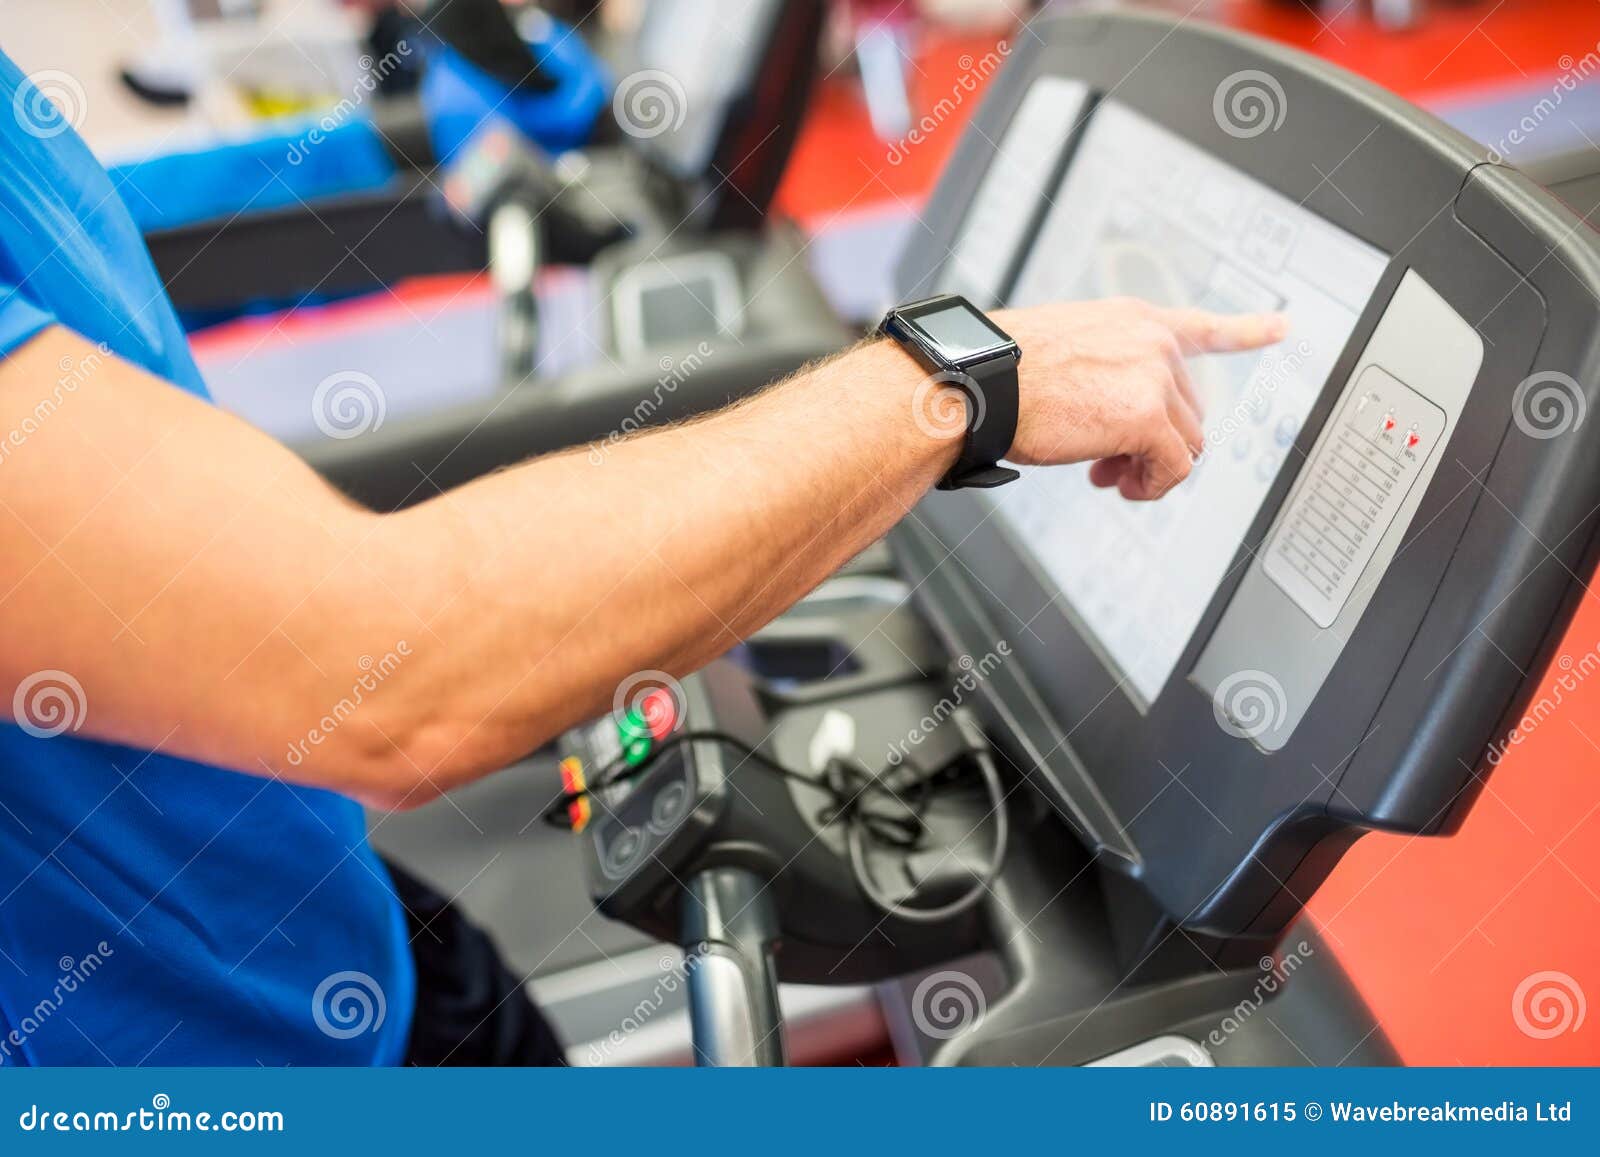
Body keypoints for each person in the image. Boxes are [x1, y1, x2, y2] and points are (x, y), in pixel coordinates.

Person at [0, 47, 1283, 1066]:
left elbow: (81, 233)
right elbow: (384, 672)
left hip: (299, 910)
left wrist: (395, 141)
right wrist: (950, 387)